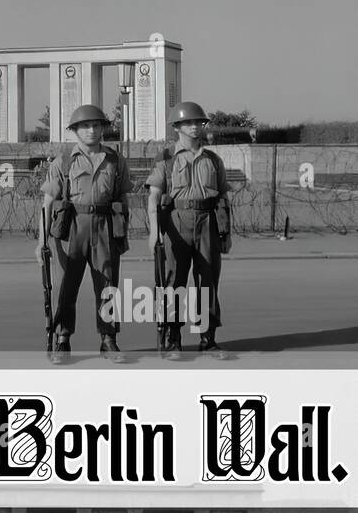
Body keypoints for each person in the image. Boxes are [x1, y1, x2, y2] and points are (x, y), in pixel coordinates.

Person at [38, 104, 134, 365]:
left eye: (96, 125)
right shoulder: (64, 161)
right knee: (66, 288)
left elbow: (122, 197)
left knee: (107, 286)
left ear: (103, 128)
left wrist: (121, 230)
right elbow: (47, 203)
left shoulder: (114, 160)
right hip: (72, 228)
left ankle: (108, 339)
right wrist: (41, 242)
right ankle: (62, 339)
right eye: (85, 126)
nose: (91, 130)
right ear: (75, 130)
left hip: (104, 226)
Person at [146, 101, 233, 359]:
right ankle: (173, 339)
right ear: (177, 127)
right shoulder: (166, 158)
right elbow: (153, 196)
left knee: (208, 281)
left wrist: (227, 233)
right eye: (188, 123)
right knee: (174, 283)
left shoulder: (213, 160)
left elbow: (224, 197)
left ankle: (208, 339)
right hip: (176, 221)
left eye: (198, 122)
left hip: (208, 221)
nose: (194, 127)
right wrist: (154, 232)